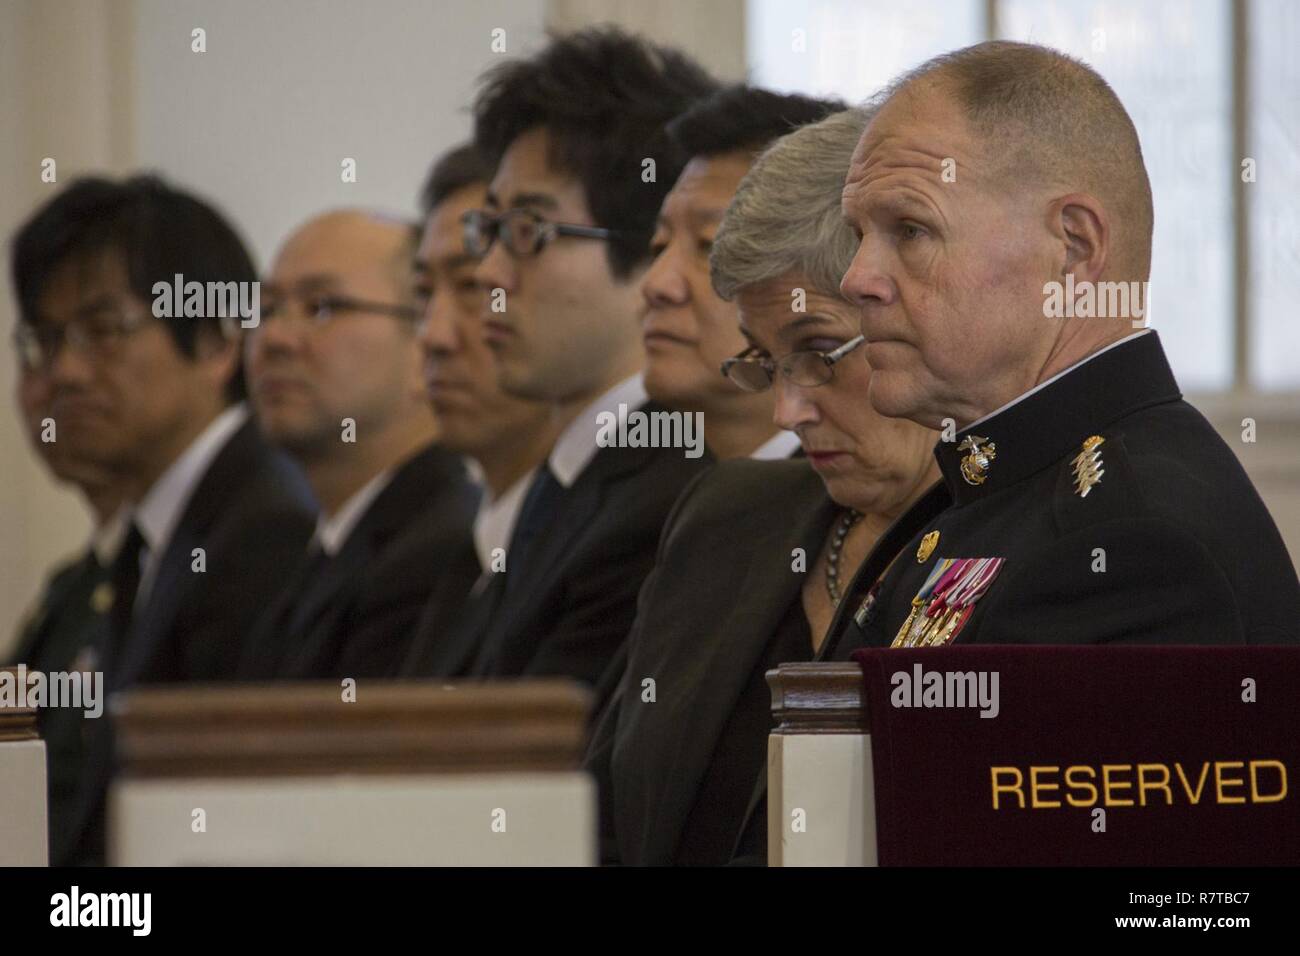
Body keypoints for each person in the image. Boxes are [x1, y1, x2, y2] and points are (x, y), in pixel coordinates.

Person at [826, 41, 1299, 655]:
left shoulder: (1127, 545)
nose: (856, 279)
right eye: (859, 235)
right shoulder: (1002, 484)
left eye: (911, 230)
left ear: (1073, 250)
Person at [584, 108, 940, 865]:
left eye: (816, 352)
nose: (787, 409)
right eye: (766, 361)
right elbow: (605, 811)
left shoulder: (1016, 538)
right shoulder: (727, 514)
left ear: (922, 308)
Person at [10, 174, 317, 863]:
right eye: (42, 339)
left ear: (214, 340)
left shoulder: (263, 530)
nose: (63, 372)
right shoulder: (146, 547)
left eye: (103, 331)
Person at [450, 27, 718, 686]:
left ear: (650, 249)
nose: (488, 272)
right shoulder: (569, 473)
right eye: (490, 229)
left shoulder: (666, 503)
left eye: (528, 232)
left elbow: (548, 764)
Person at [239, 210, 477, 680]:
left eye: (322, 307)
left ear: (422, 343)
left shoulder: (439, 552)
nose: (274, 339)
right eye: (266, 309)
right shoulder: (324, 544)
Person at [402, 144, 559, 676]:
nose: (434, 336)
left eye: (471, 287)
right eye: (423, 293)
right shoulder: (458, 547)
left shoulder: (602, 541)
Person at [639, 86, 845, 460]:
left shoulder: (877, 499)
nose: (656, 284)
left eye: (709, 246)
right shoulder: (677, 491)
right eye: (659, 245)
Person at [5, 341, 128, 867]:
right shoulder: (71, 589)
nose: (59, 380)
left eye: (99, 332)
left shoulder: (229, 554)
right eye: (36, 349)